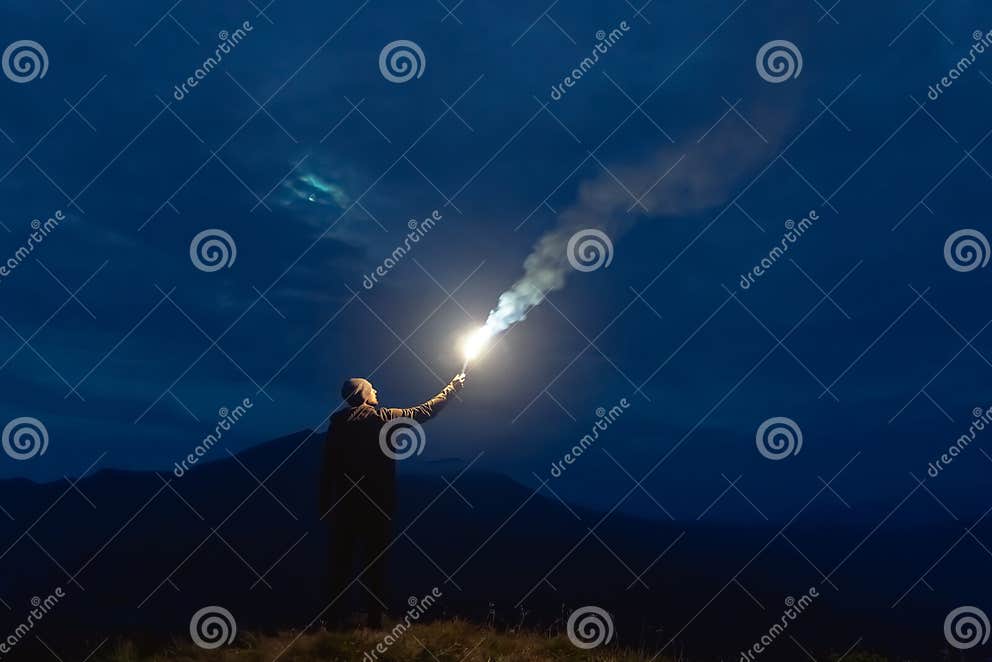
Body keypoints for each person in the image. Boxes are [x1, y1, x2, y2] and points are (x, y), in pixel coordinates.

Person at [319, 373, 466, 629]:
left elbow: (328, 469)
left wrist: (324, 504)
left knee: (340, 565)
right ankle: (374, 623)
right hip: (377, 508)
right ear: (363, 394)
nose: (376, 389)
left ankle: (333, 623)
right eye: (371, 388)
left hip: (344, 508)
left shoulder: (336, 426)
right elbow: (425, 411)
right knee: (375, 565)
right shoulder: (383, 417)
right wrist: (451, 388)